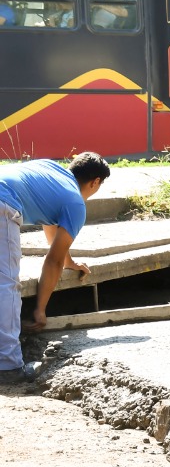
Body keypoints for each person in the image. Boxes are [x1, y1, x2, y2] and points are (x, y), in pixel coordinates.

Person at [1, 152, 110, 383]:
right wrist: (40, 309)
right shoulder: (75, 203)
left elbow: (54, 236)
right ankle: (8, 367)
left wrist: (69, 262)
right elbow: (53, 261)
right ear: (95, 182)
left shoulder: (50, 170)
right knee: (6, 283)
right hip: (3, 203)